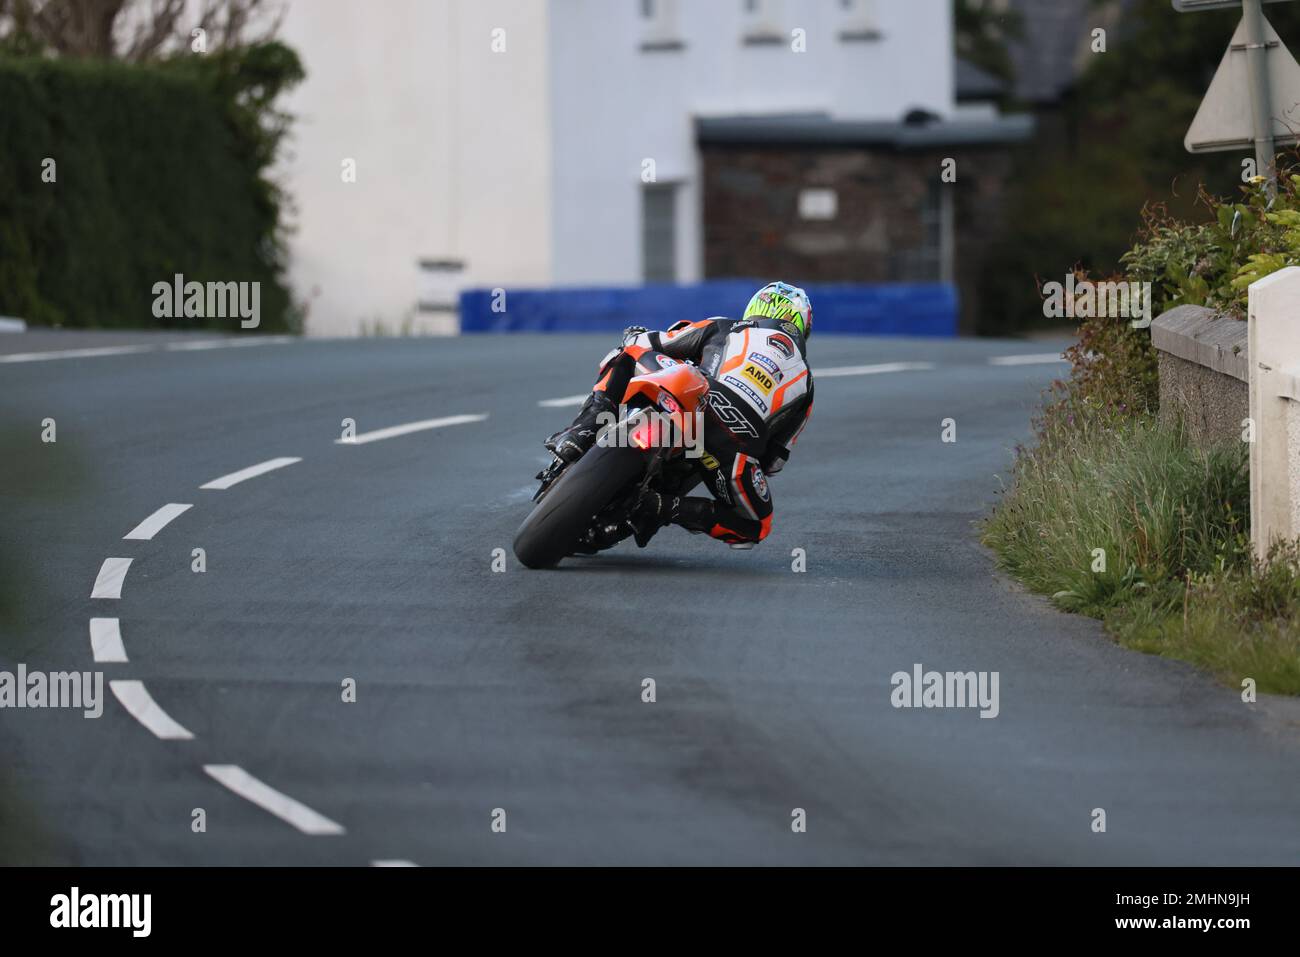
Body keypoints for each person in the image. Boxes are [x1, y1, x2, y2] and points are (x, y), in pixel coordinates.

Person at [544, 281, 814, 548]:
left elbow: (654, 341)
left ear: (755, 307)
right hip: (732, 446)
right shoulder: (807, 384)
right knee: (755, 526)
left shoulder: (728, 326)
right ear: (803, 325)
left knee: (629, 351)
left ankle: (584, 428)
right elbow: (773, 462)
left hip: (697, 401)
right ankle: (662, 506)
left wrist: (636, 336)